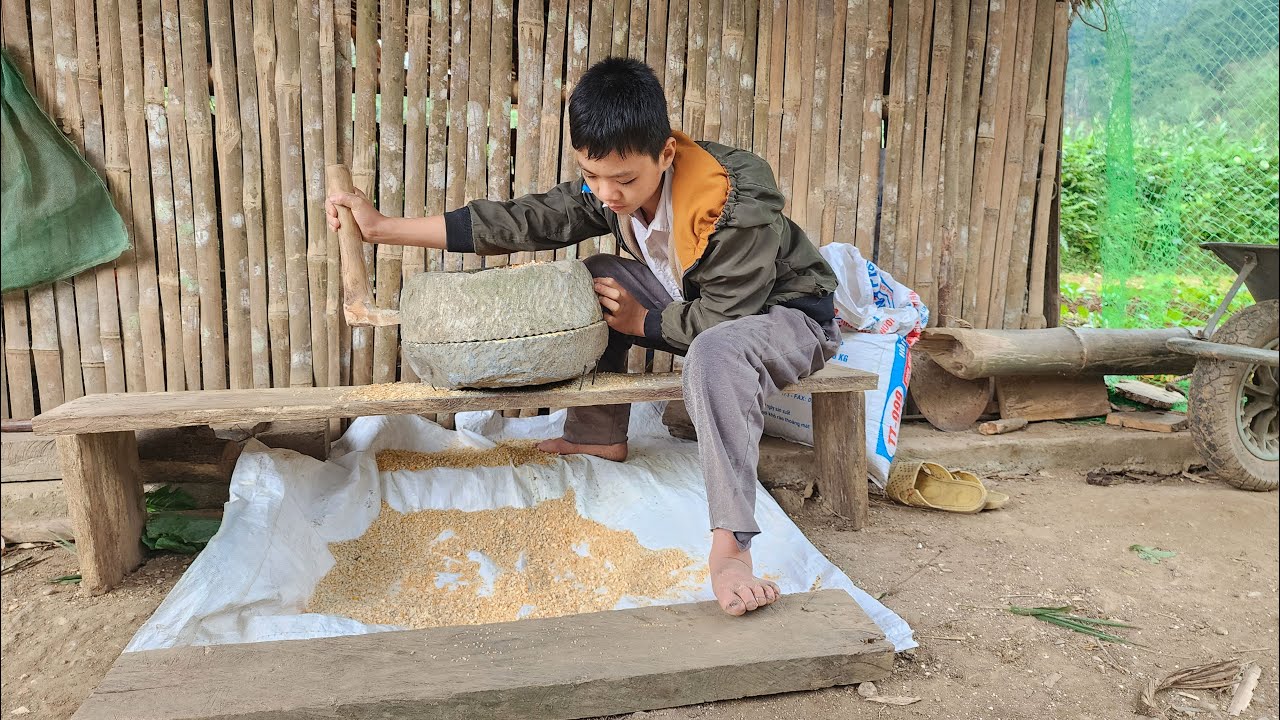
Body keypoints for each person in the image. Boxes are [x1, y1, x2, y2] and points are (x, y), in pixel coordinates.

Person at [326, 57, 840, 617]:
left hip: (785, 319)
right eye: (592, 176)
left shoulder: (733, 204)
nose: (607, 194)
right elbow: (526, 221)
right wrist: (383, 229)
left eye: (623, 180)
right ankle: (598, 436)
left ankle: (732, 548)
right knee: (598, 276)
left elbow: (726, 322)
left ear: (666, 154)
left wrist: (643, 322)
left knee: (714, 351)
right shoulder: (610, 180)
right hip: (700, 309)